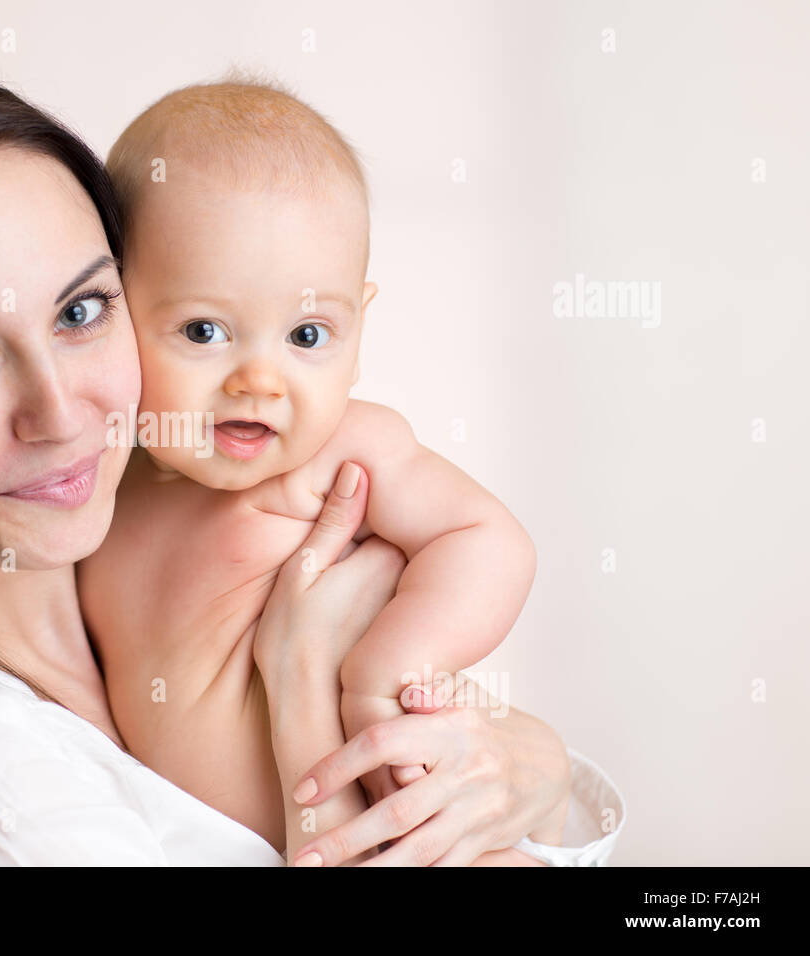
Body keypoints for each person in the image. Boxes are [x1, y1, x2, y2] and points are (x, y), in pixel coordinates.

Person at [0, 40, 624, 866]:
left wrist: (527, 766)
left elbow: (481, 570)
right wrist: (298, 694)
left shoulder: (129, 552)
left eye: (80, 311)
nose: (62, 407)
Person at [80, 78, 539, 859]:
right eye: (203, 329)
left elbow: (490, 539)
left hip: (405, 831)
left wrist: (391, 662)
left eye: (307, 336)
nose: (260, 379)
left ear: (360, 326)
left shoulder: (347, 453)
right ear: (114, 308)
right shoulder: (97, 488)